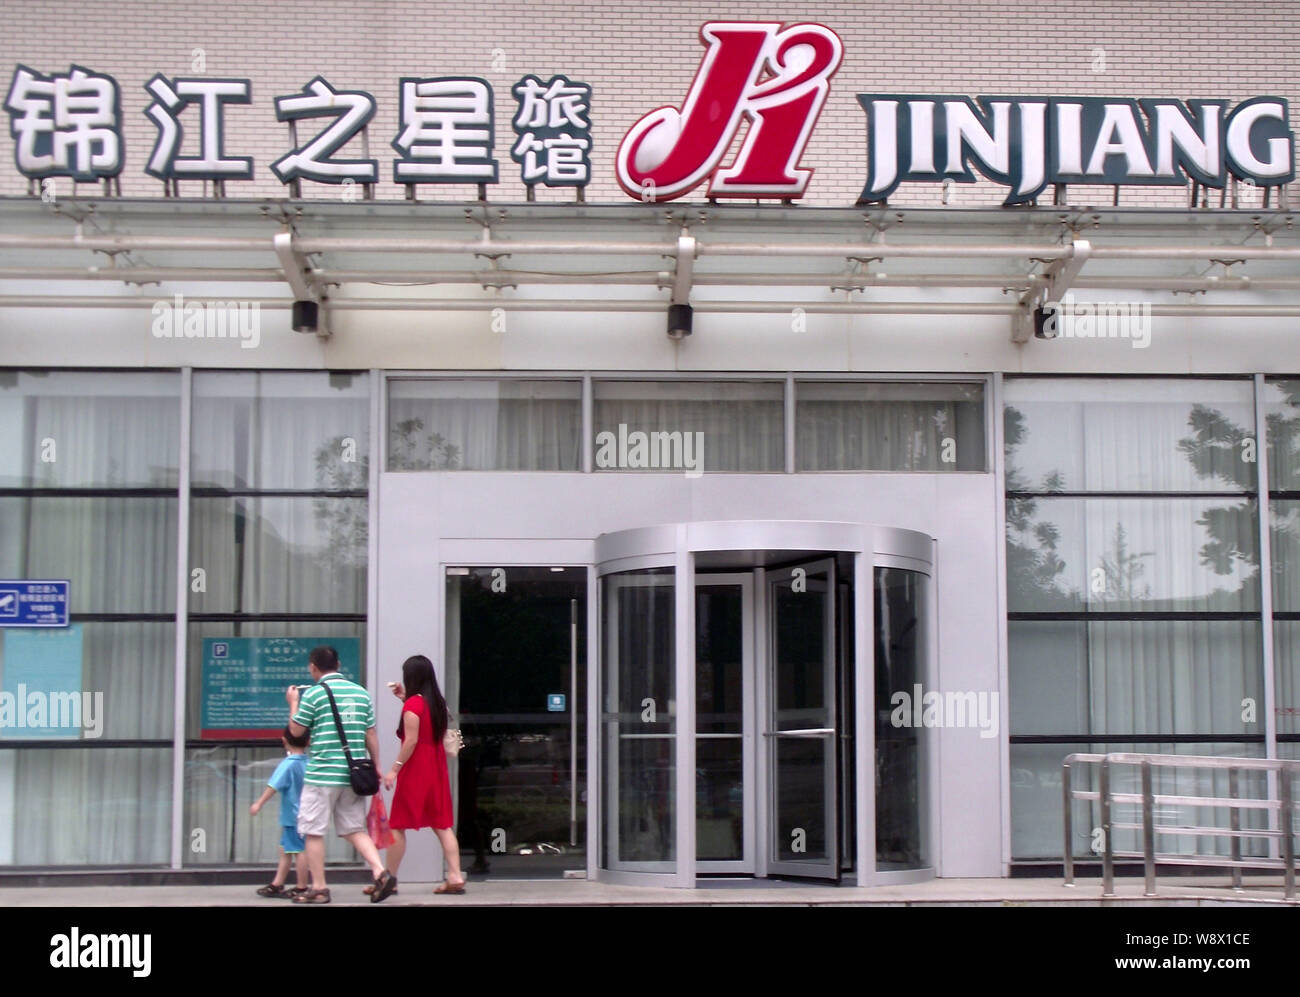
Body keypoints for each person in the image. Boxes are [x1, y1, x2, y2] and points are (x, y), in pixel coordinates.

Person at [286, 645, 396, 904]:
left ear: (314, 666)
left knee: (313, 831)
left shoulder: (313, 694)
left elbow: (297, 732)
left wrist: (293, 704)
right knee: (354, 829)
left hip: (322, 774)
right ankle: (380, 873)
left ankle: (320, 888)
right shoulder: (361, 693)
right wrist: (376, 765)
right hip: (354, 774)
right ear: (337, 664)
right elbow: (370, 733)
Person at [377, 654, 467, 895]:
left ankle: (390, 879)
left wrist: (394, 769)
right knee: (442, 824)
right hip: (436, 767)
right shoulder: (437, 702)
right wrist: (403, 698)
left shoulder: (412, 705)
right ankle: (456, 875)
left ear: (411, 676)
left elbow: (411, 740)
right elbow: (424, 720)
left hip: (416, 769)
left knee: (398, 824)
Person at [249, 724, 310, 899]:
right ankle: (277, 883)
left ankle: (301, 886)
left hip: (293, 815)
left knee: (298, 851)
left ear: (284, 741)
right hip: (304, 813)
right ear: (308, 741)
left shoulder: (288, 765)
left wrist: (259, 803)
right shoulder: (308, 762)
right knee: (285, 849)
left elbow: (273, 786)